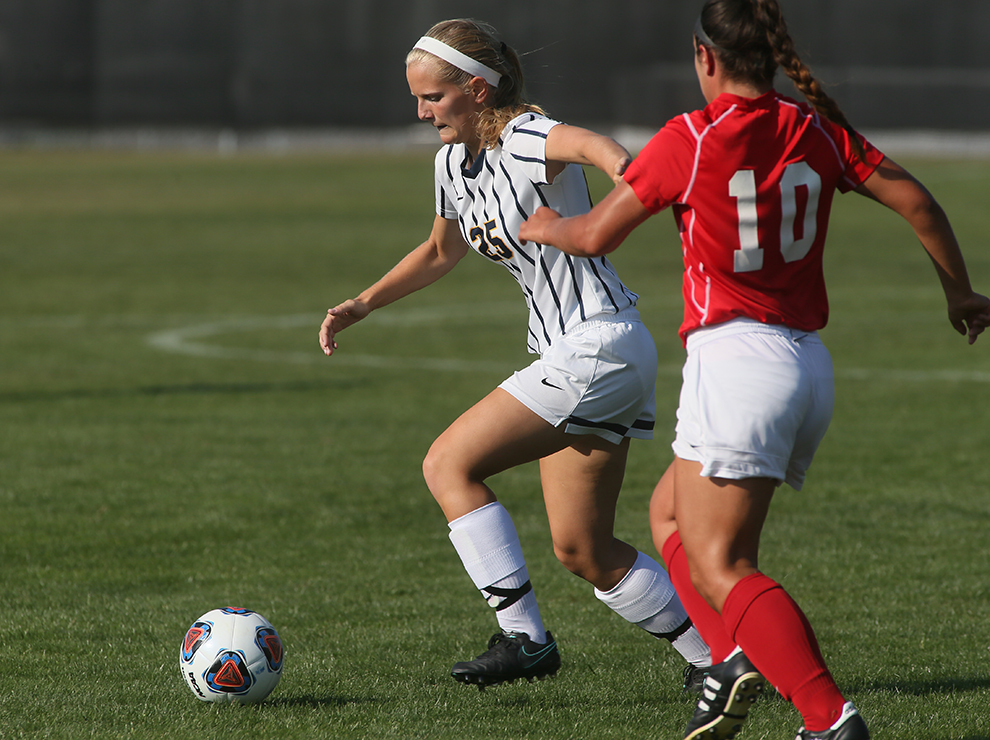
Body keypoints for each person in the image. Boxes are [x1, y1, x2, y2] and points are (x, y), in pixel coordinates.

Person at [519, 0, 990, 737]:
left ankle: (829, 719)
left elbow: (592, 234)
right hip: (805, 364)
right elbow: (916, 200)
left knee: (724, 562)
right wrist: (959, 293)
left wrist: (546, 224)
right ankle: (733, 657)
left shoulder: (691, 138)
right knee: (669, 514)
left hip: (738, 363)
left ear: (705, 58)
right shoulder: (814, 130)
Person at [319, 18, 711, 691]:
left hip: (597, 347)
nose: (421, 112)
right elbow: (442, 251)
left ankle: (524, 639)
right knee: (583, 549)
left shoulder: (527, 136)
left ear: (476, 90)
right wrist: (363, 303)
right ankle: (719, 663)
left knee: (448, 463)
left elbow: (594, 145)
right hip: (587, 354)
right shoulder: (451, 163)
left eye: (433, 98)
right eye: (417, 98)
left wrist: (633, 187)